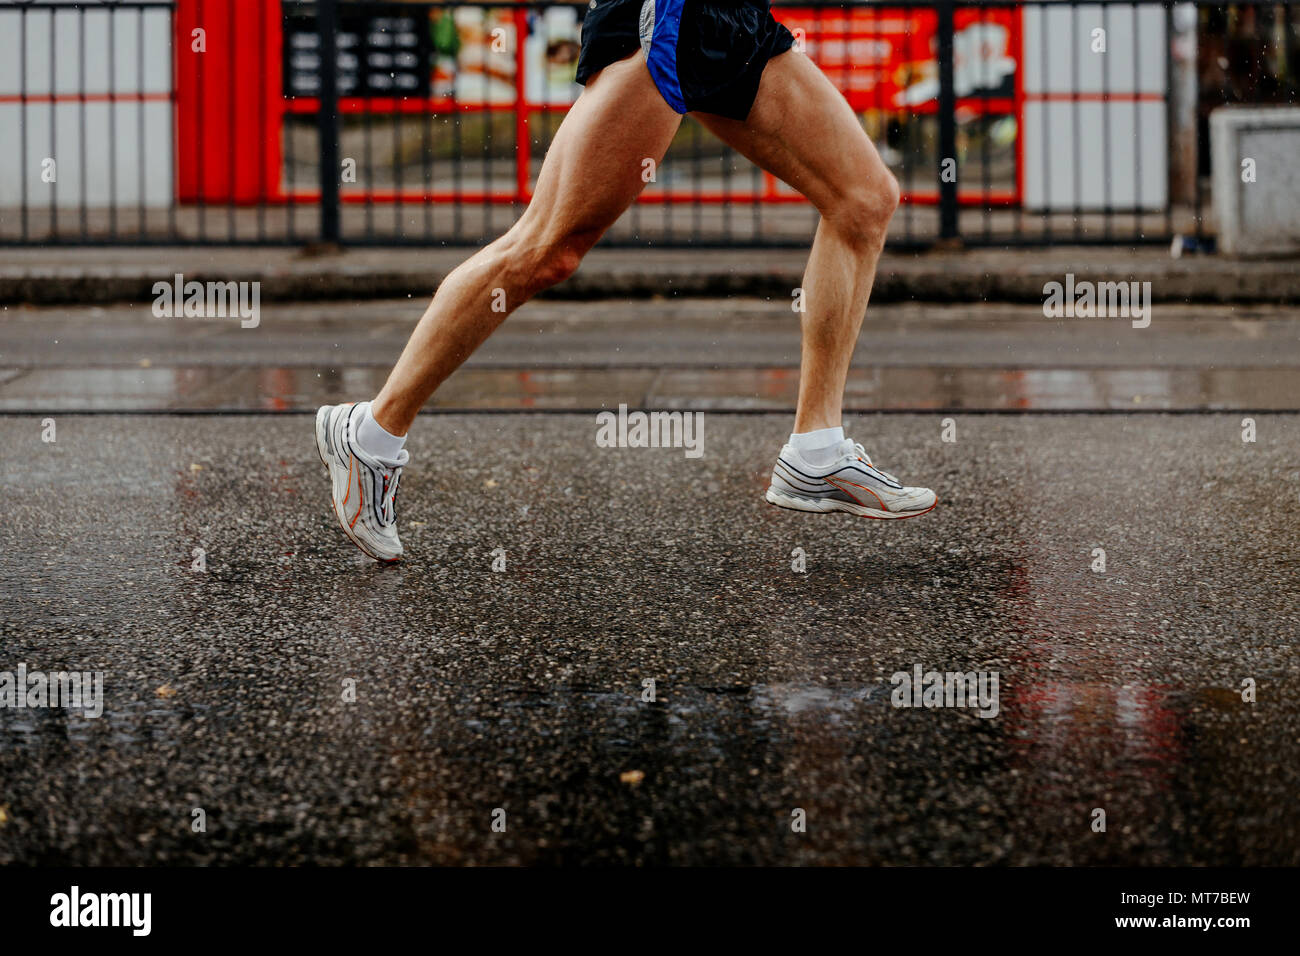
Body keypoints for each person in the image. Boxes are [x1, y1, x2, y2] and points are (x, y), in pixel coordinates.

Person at [315, 0, 937, 562]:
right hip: (666, 16)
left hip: (734, 19)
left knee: (863, 198)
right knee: (547, 248)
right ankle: (369, 435)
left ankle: (817, 451)